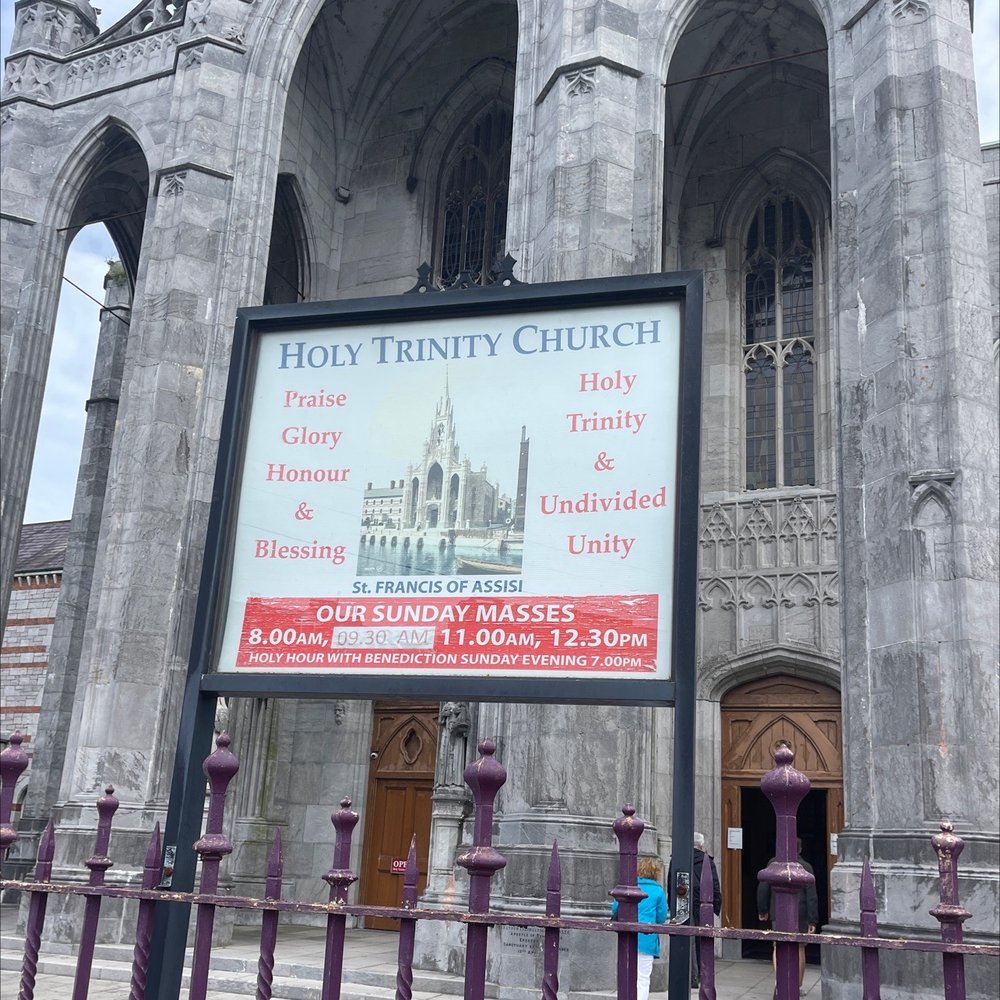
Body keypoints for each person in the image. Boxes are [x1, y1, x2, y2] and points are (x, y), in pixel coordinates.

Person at [756, 838, 819, 989]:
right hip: (801, 914)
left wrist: (762, 910)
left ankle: (780, 982)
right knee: (800, 948)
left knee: (777, 945)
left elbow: (763, 888)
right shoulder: (806, 866)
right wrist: (812, 920)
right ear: (800, 849)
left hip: (778, 911)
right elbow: (811, 896)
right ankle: (798, 986)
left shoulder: (773, 864)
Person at [667, 832, 722, 987]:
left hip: (682, 904)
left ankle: (688, 974)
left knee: (684, 939)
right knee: (701, 939)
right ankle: (700, 975)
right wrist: (716, 906)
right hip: (701, 904)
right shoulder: (707, 861)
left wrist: (671, 905)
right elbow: (714, 885)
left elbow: (671, 883)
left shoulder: (677, 859)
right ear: (701, 845)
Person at [611, 856, 669, 1000]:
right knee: (643, 978)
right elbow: (661, 917)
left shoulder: (629, 886)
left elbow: (615, 908)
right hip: (647, 938)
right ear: (656, 873)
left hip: (627, 937)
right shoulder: (658, 891)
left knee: (626, 976)